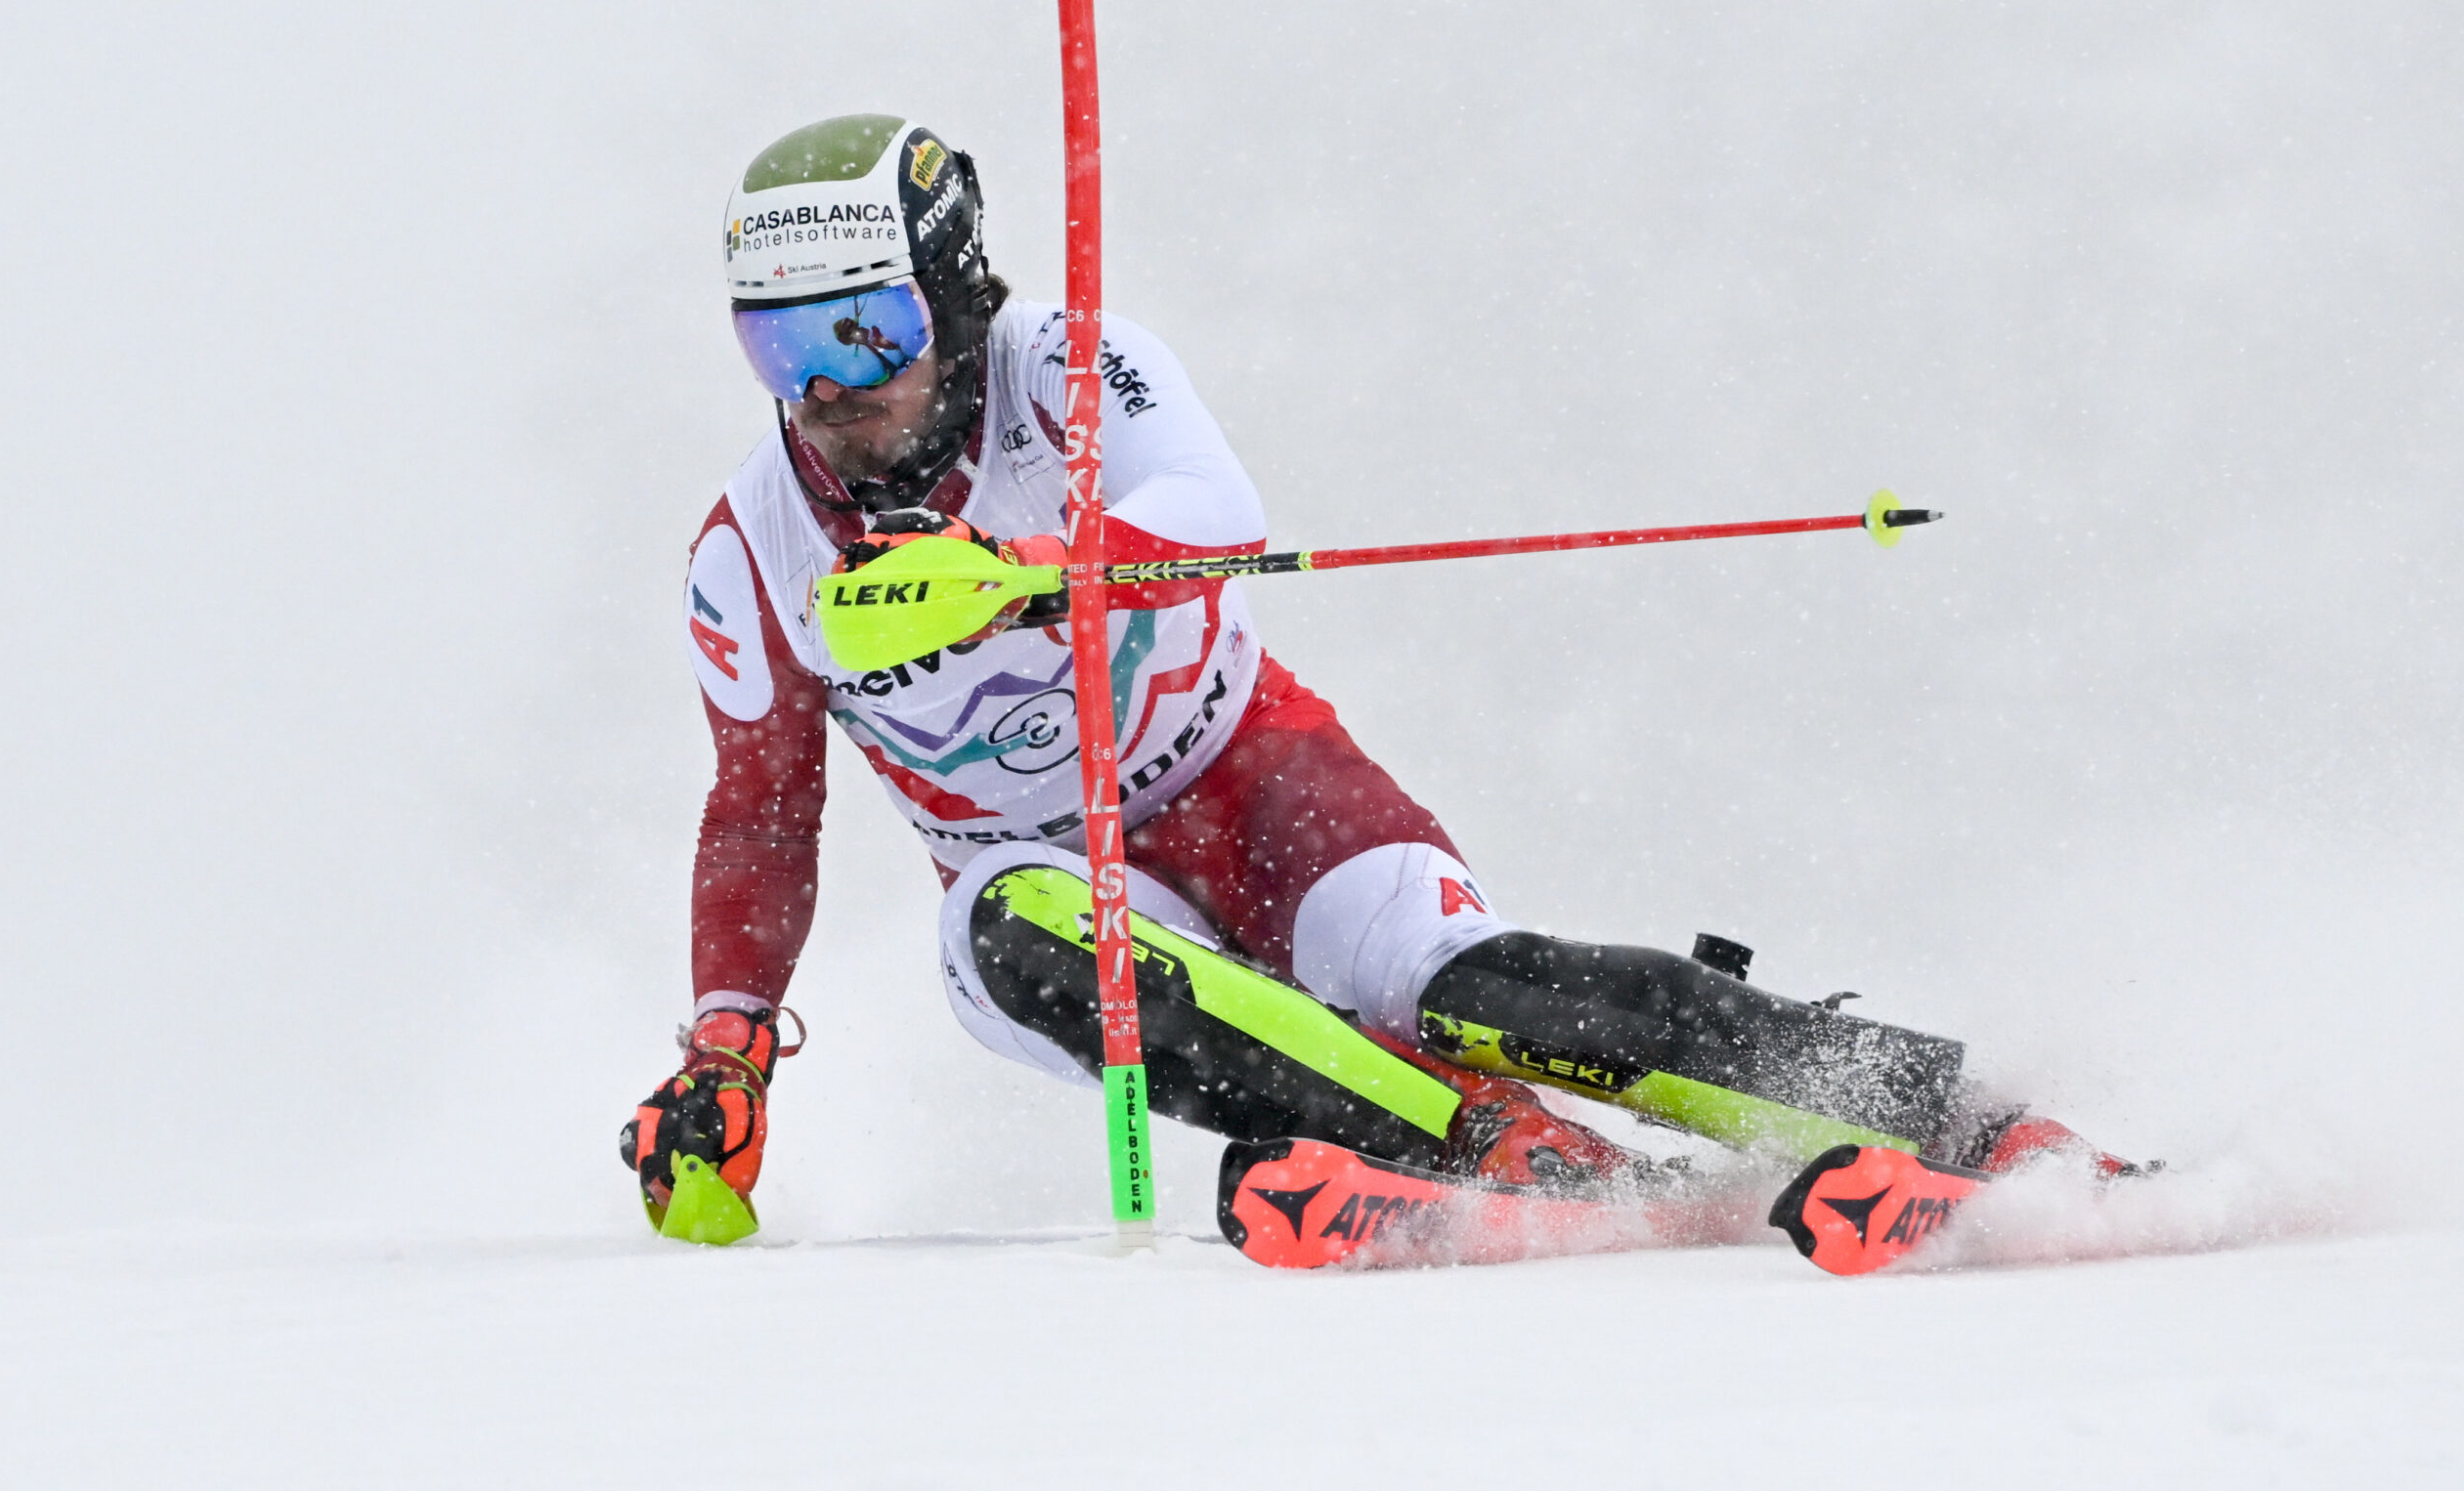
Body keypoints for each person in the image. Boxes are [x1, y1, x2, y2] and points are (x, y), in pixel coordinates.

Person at [621, 114, 2134, 1233]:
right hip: (1054, 875)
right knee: (1014, 928)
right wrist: (727, 1041)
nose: (829, 397)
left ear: (949, 305)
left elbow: (1221, 514)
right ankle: (1504, 1160)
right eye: (779, 352)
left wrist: (1020, 575)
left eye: (864, 331)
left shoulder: (1074, 367)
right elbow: (758, 810)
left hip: (1256, 777)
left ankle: (1960, 1118)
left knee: (1472, 985)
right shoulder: (748, 557)